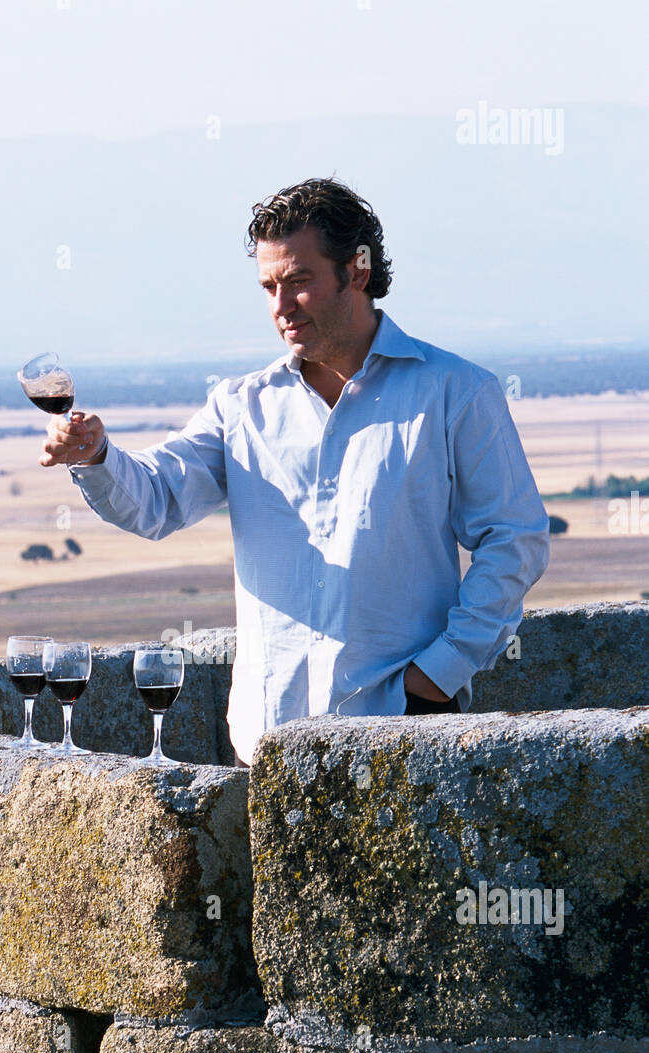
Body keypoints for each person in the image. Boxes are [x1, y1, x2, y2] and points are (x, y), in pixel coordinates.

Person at [37, 177, 550, 767]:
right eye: (268, 287)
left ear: (357, 271)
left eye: (299, 282)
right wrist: (96, 457)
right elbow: (156, 500)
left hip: (405, 741)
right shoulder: (241, 405)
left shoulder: (457, 392)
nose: (280, 307)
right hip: (267, 750)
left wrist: (437, 676)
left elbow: (515, 540)